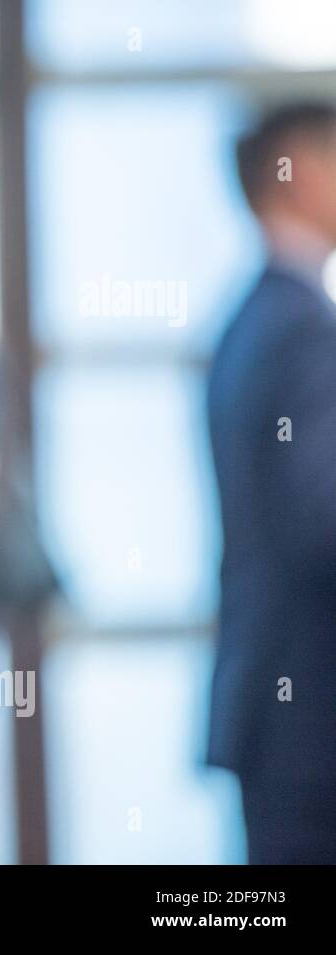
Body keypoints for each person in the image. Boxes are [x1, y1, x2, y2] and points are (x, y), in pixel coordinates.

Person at [207, 101, 336, 863]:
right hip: (312, 714)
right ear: (301, 169)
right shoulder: (303, 326)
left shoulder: (250, 315)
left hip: (277, 705)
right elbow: (322, 516)